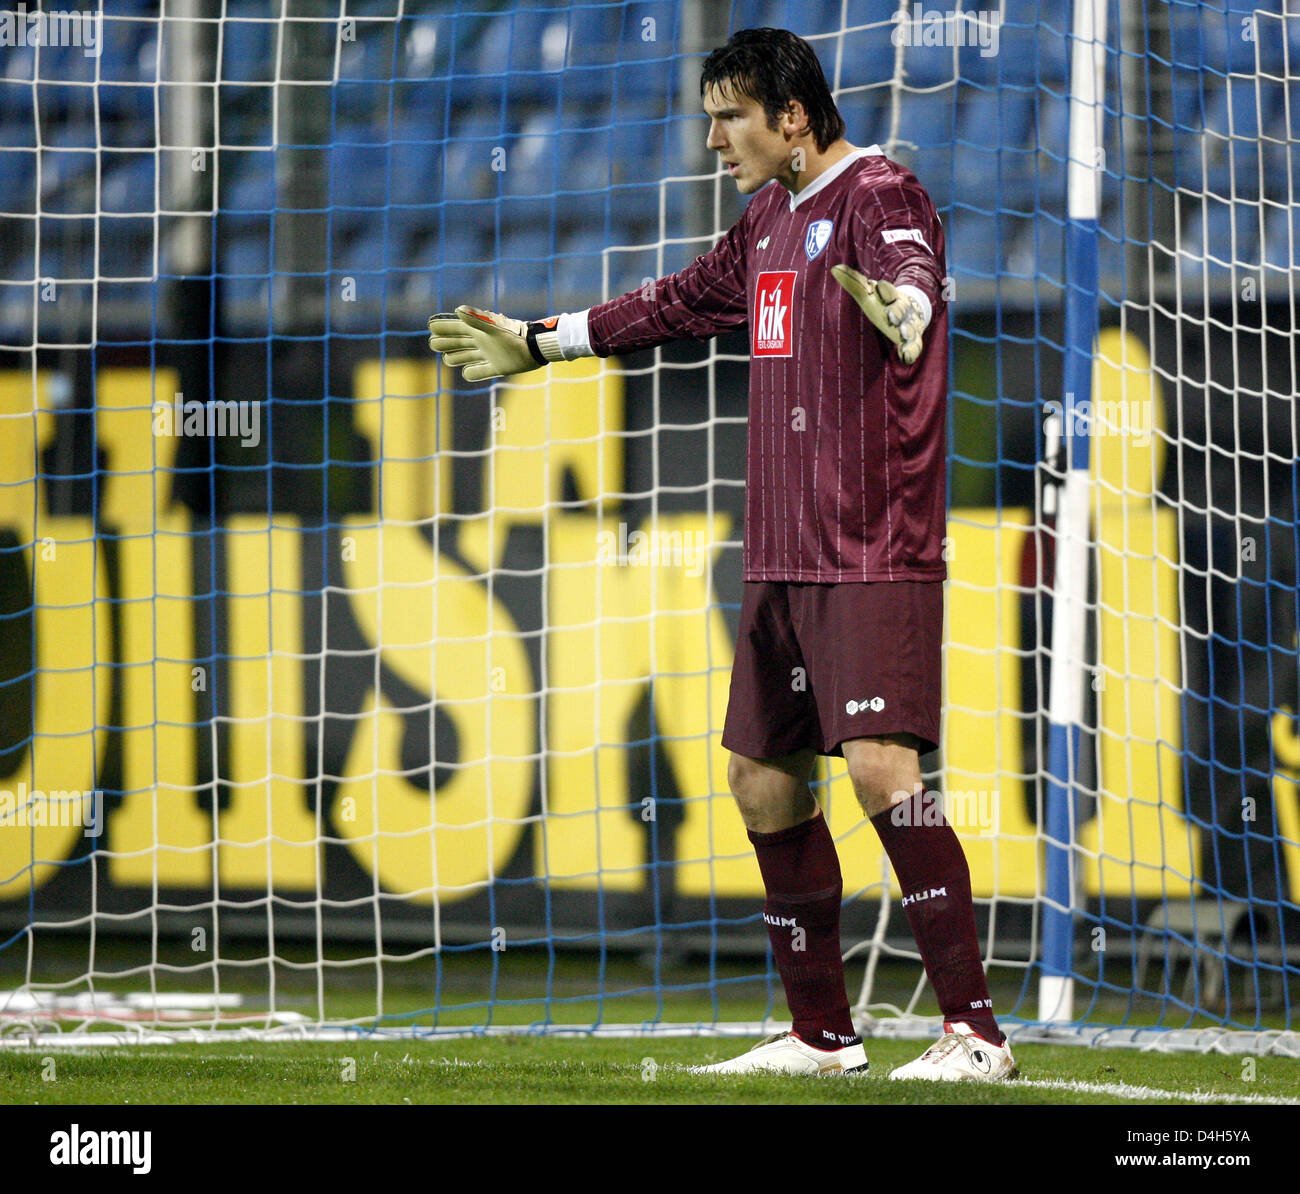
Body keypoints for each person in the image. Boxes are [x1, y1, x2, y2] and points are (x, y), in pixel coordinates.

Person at [428, 26, 1017, 1082]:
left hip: (871, 543)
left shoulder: (878, 193)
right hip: (783, 553)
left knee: (885, 772)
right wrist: (538, 339)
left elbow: (910, 278)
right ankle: (822, 1036)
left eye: (730, 116)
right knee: (761, 782)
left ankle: (973, 1033)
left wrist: (907, 312)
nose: (711, 139)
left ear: (793, 116)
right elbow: (675, 302)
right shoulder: (763, 221)